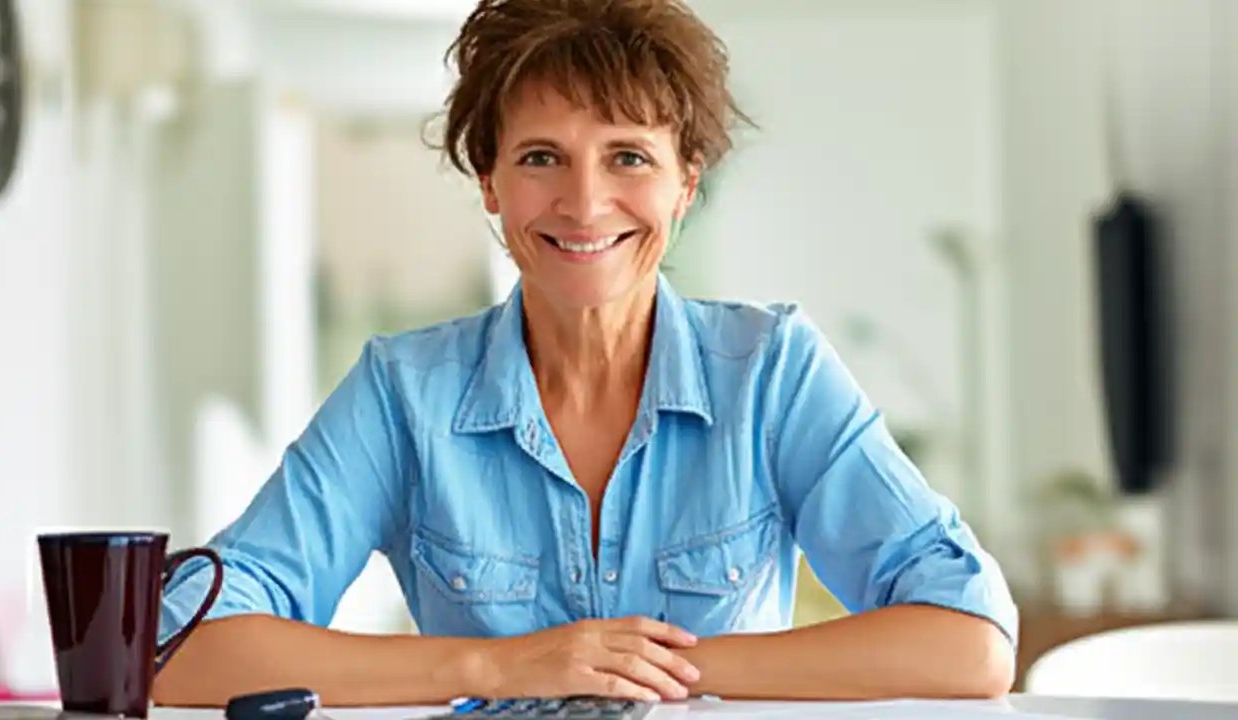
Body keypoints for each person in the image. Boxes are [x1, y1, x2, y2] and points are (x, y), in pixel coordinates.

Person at [154, 0, 1017, 707]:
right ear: (489, 180)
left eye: (629, 157)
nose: (585, 202)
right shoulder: (401, 394)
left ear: (687, 182)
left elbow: (969, 640)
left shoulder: (773, 372)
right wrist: (498, 666)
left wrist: (648, 670)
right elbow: (180, 647)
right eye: (541, 158)